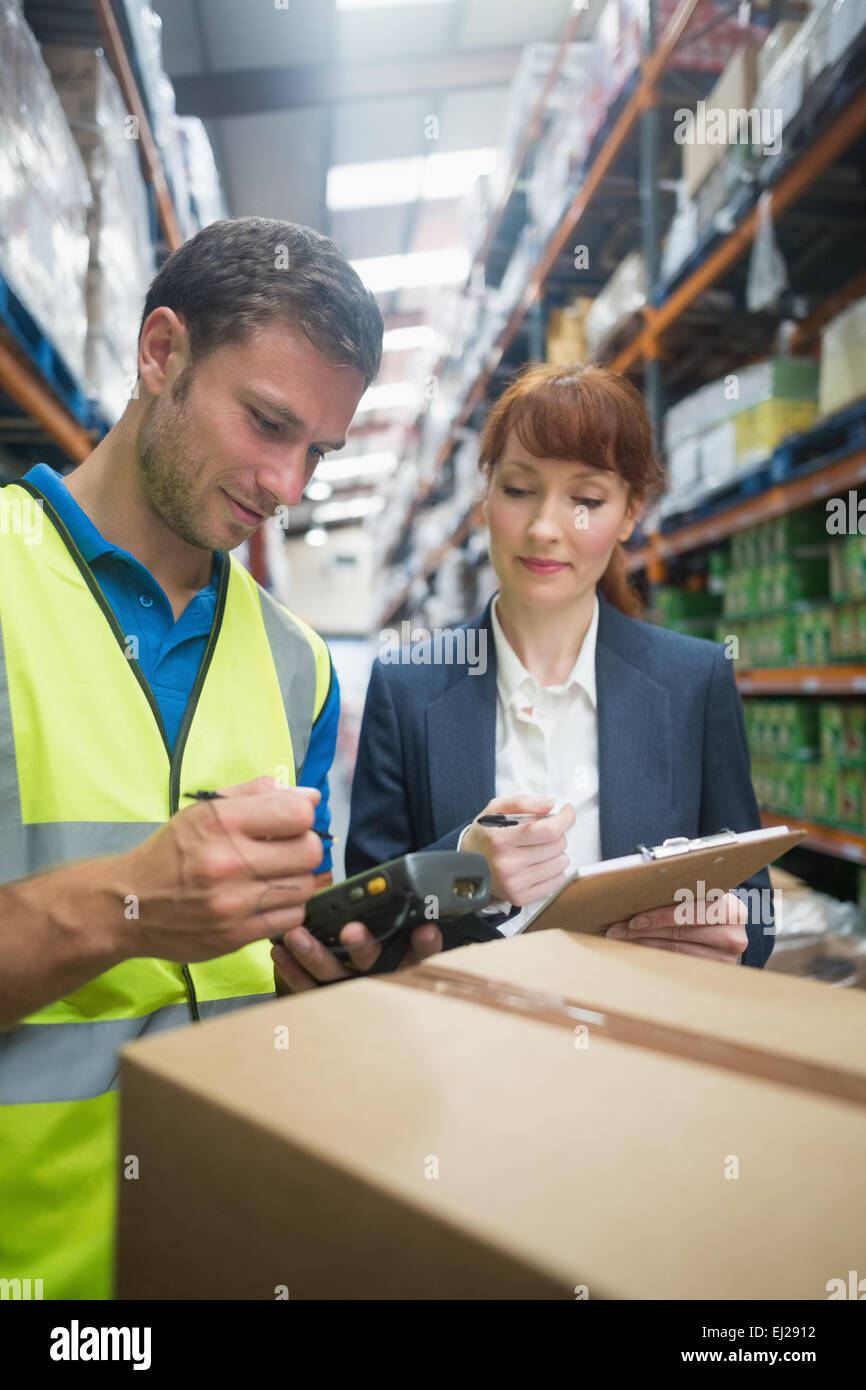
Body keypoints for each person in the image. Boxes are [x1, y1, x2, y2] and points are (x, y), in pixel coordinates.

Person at [0, 217, 442, 1300]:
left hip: (230, 1246)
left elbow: (275, 979)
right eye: (267, 422)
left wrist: (338, 968)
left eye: (319, 452)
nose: (287, 484)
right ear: (161, 352)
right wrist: (131, 903)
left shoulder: (297, 666)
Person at [339, 363, 773, 968]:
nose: (545, 528)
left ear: (630, 513)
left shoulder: (693, 681)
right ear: (486, 494)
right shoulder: (406, 686)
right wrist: (465, 868)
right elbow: (362, 922)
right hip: (464, 1045)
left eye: (587, 500)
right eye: (519, 490)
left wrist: (731, 933)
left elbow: (753, 899)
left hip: (639, 1039)